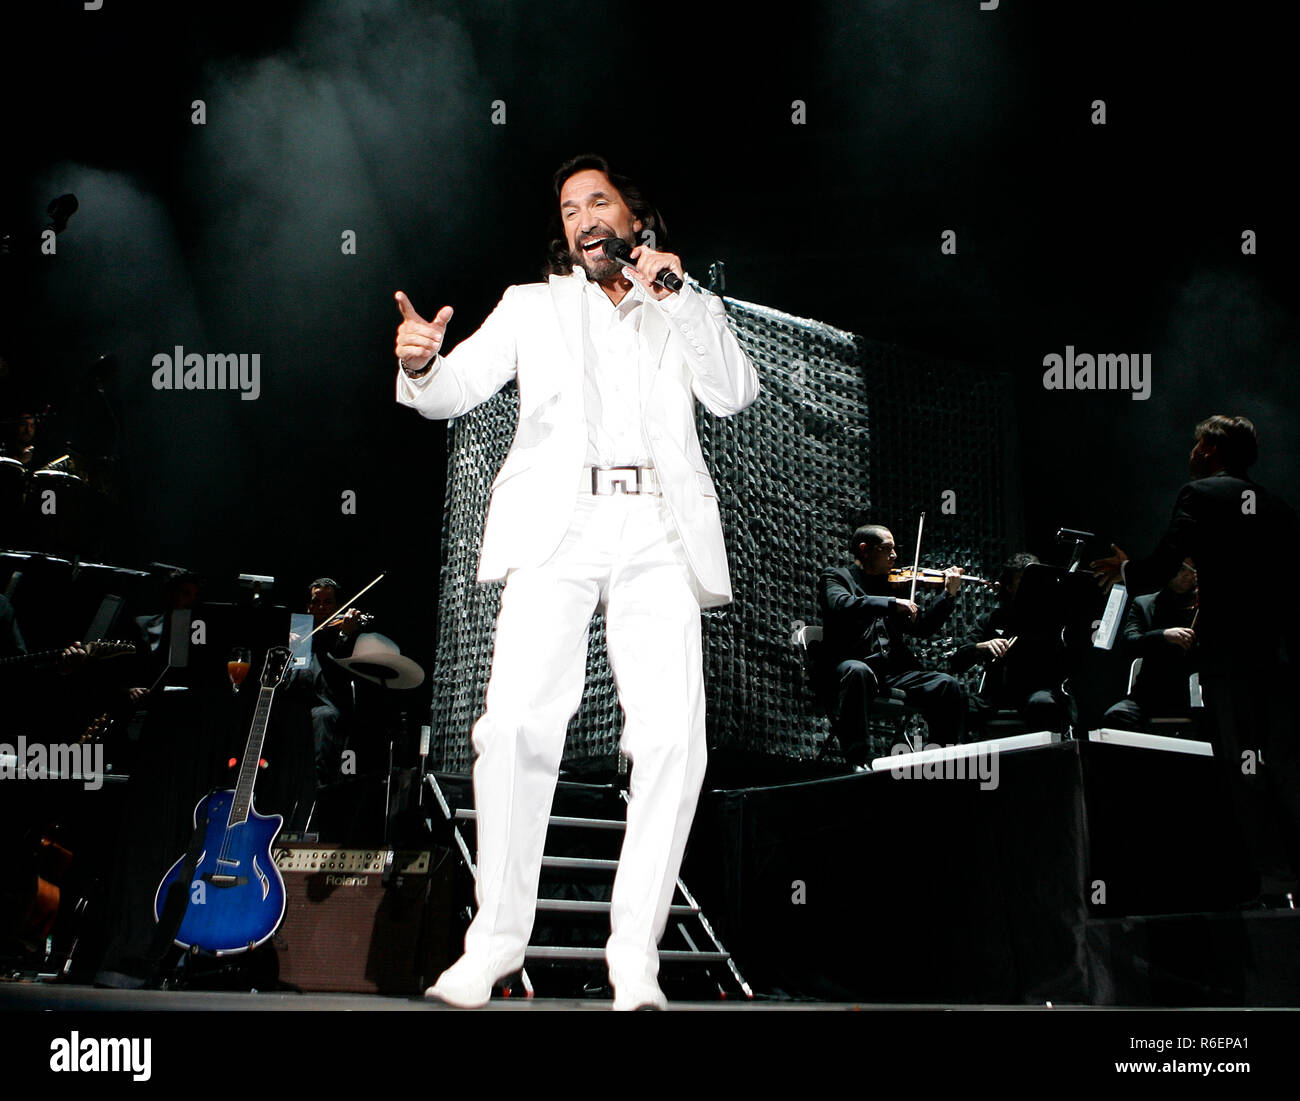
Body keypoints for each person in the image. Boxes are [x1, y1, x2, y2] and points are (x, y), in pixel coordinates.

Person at [392, 154, 758, 1009]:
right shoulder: (531, 306)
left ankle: (636, 957)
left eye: (598, 200)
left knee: (672, 740)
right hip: (558, 526)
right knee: (514, 725)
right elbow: (456, 388)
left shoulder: (681, 306)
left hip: (658, 530)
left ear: (636, 215)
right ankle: (493, 947)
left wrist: (684, 296)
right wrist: (419, 364)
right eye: (567, 207)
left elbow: (733, 393)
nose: (582, 216)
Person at [1091, 415, 1300, 902]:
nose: (1189, 452)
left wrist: (1126, 569)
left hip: (1230, 655)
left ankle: (1269, 880)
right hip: (1279, 657)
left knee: (1242, 767)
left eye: (1195, 443)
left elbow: (1167, 561)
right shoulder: (1280, 507)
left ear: (1209, 448)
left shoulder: (1199, 496)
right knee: (1286, 766)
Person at [818, 523, 967, 765]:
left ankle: (944, 758)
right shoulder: (836, 577)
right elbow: (841, 604)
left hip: (889, 675)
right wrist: (890, 602)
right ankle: (857, 760)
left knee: (946, 685)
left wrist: (948, 596)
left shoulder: (888, 584)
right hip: (848, 670)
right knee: (859, 671)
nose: (895, 556)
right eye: (888, 549)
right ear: (865, 550)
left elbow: (923, 628)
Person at [950, 552, 1069, 734]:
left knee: (1043, 703)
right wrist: (981, 647)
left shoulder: (1051, 618)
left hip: (1036, 692)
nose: (1030, 589)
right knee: (952, 705)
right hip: (995, 697)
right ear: (1008, 586)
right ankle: (963, 762)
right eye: (1022, 583)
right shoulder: (992, 619)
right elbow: (956, 662)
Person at [1100, 560, 1199, 732]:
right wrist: (1163, 635)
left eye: (1193, 570)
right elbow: (1129, 643)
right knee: (1115, 716)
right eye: (1182, 569)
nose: (1188, 575)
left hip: (1190, 696)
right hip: (1149, 695)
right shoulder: (1144, 604)